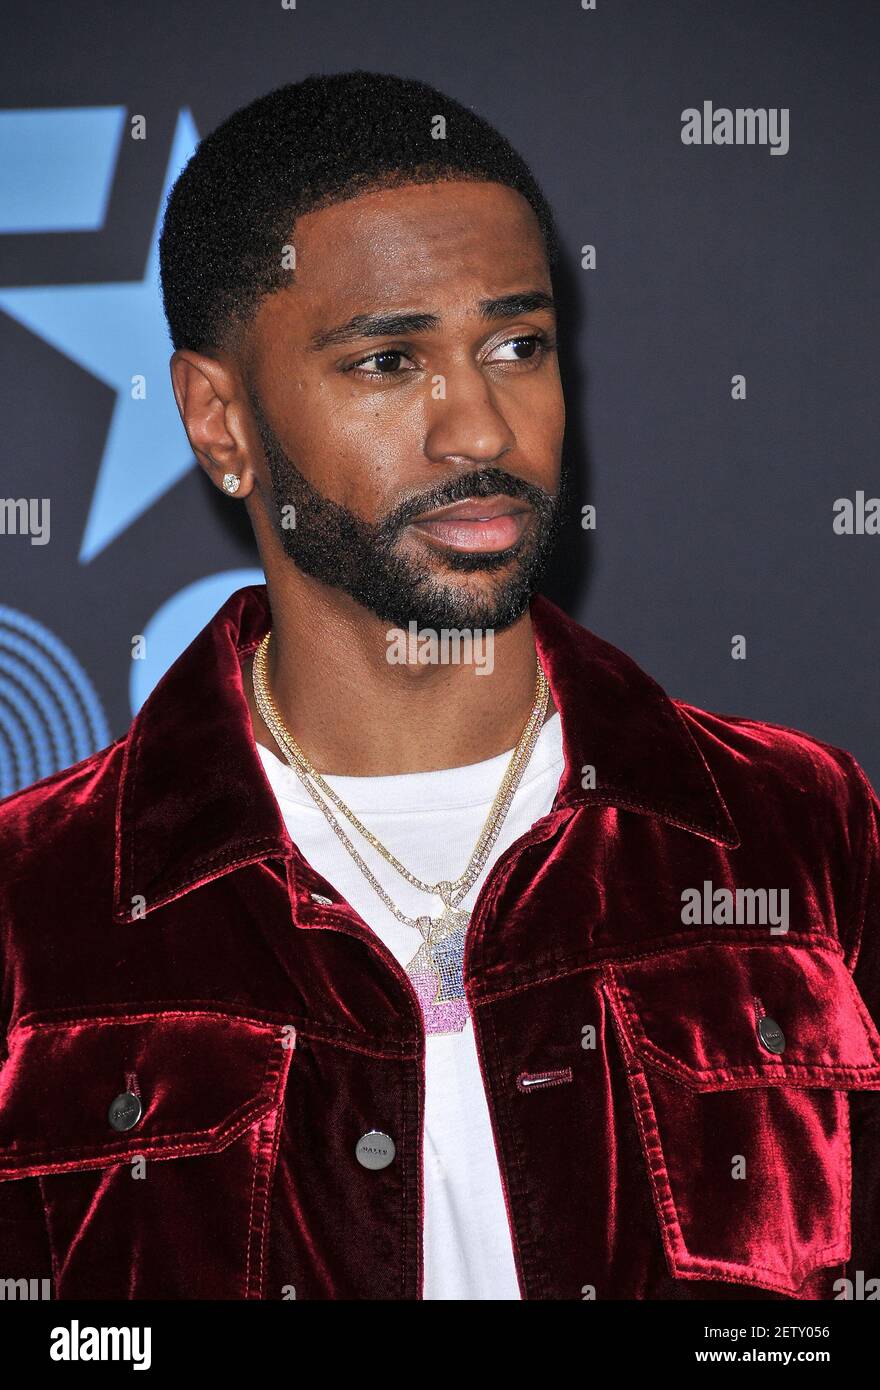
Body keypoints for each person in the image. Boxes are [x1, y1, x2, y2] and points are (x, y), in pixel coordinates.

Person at [0, 70, 878, 1302]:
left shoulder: (798, 828)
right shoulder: (35, 907)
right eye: (387, 361)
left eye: (515, 345)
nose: (478, 428)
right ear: (218, 419)